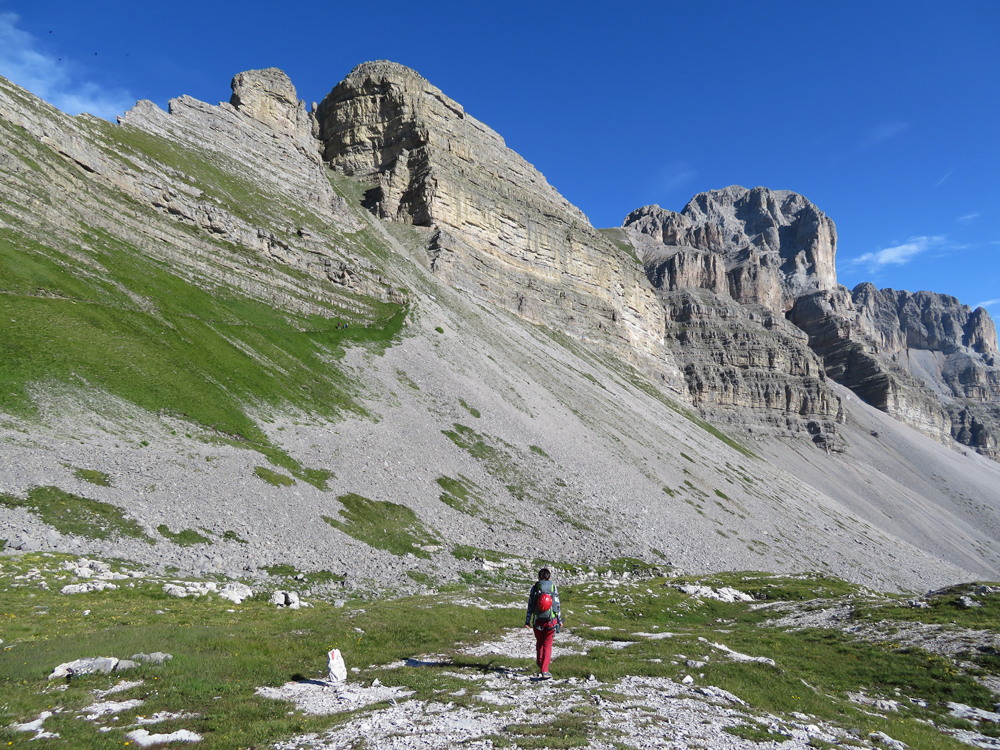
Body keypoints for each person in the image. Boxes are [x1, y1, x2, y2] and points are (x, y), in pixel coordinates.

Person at [524, 567, 562, 679]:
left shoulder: (535, 587)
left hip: (537, 620)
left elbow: (530, 604)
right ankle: (545, 671)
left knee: (539, 642)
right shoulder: (553, 587)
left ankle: (540, 662)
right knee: (547, 644)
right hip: (551, 621)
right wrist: (559, 620)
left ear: (539, 577)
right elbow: (557, 604)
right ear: (548, 577)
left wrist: (527, 621)